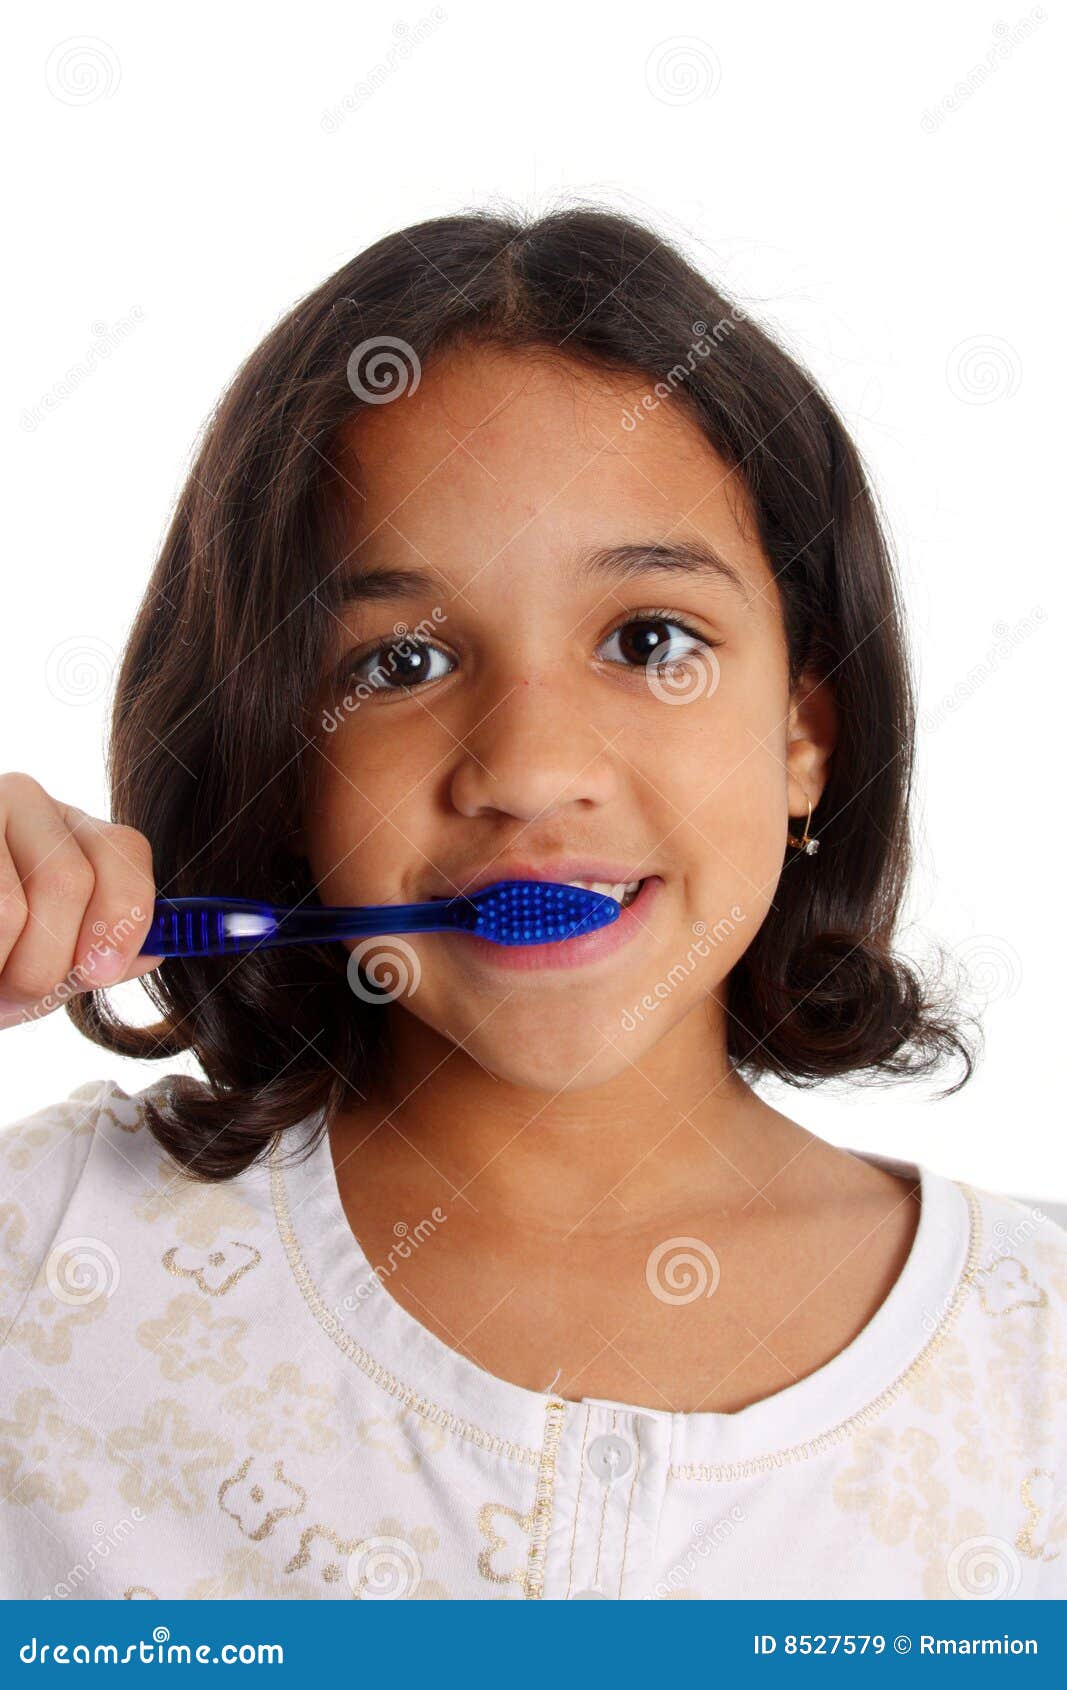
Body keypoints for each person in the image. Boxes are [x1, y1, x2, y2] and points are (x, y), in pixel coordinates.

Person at [1, 205, 1064, 1601]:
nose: (529, 769)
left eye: (649, 639)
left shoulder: (1037, 1359)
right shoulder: (44, 1256)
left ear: (807, 731)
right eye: (402, 662)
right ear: (282, 758)